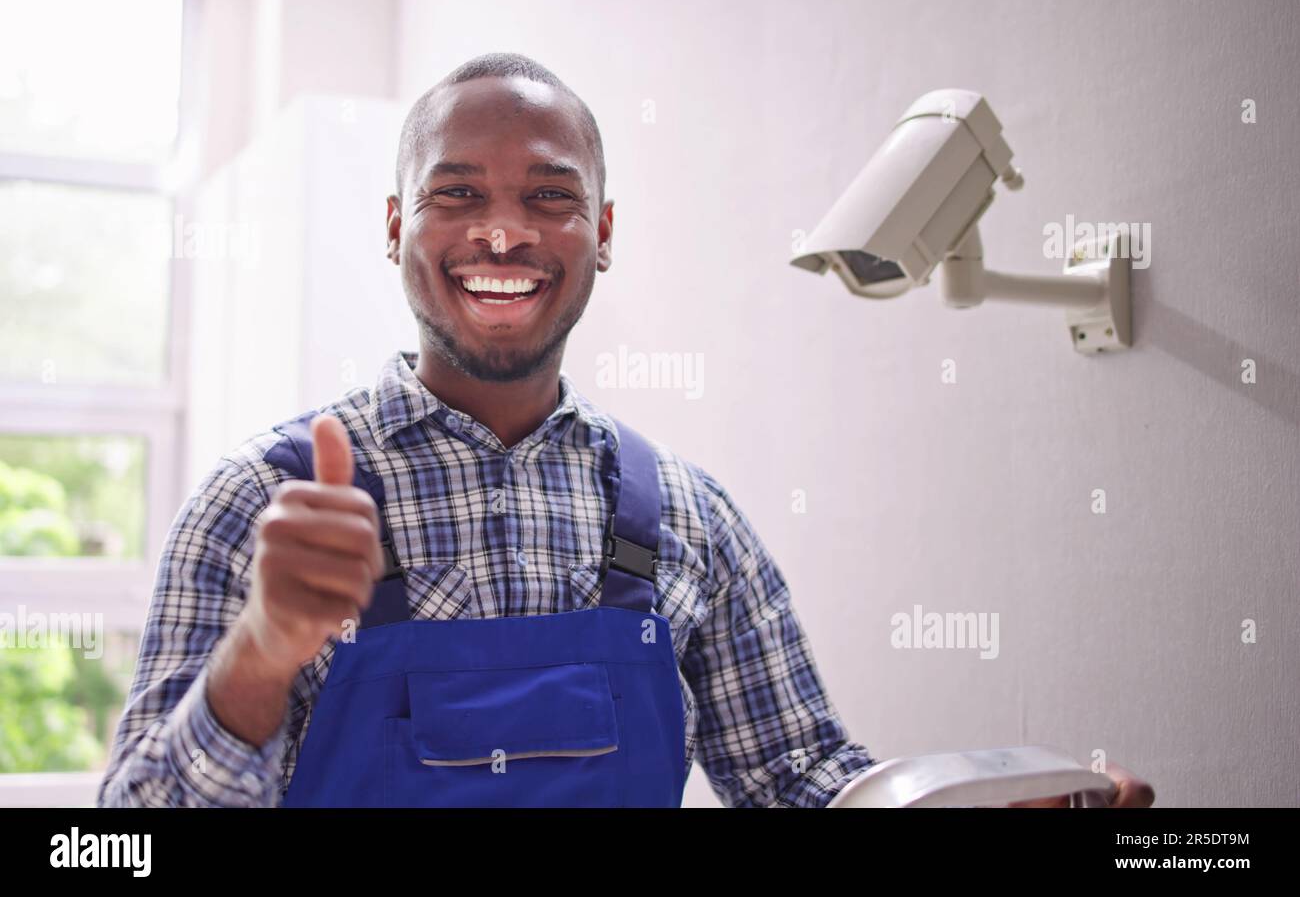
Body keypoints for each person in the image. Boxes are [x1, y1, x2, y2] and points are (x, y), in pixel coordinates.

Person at [97, 52, 1153, 809]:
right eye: (455, 194)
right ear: (394, 227)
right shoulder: (259, 505)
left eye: (548, 198)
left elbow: (799, 781)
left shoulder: (689, 517)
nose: (502, 230)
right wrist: (259, 654)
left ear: (602, 234)